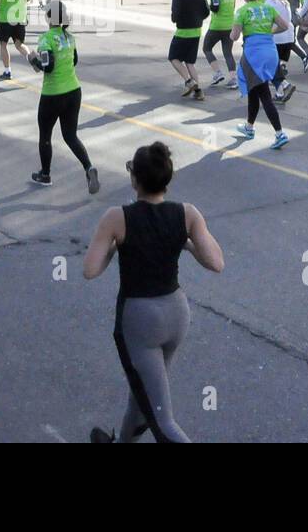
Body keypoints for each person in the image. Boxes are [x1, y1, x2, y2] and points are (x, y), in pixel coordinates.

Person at [83, 142, 224, 443]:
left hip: (140, 321)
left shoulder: (116, 217)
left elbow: (90, 269)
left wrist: (114, 245)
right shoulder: (187, 213)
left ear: (135, 179)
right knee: (145, 390)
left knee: (162, 419)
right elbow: (216, 262)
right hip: (176, 316)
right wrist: (184, 242)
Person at [26, 0, 99, 191]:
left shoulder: (46, 39)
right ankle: (88, 167)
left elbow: (47, 67)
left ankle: (45, 174)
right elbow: (74, 61)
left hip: (53, 94)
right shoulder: (70, 37)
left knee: (46, 136)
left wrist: (33, 59)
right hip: (74, 91)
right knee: (70, 136)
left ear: (48, 16)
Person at [230, 0, 290, 150]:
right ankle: (249, 127)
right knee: (254, 91)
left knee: (263, 94)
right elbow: (285, 26)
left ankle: (279, 133)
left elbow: (234, 37)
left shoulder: (242, 11)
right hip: (271, 53)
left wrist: (233, 33)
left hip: (253, 56)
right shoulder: (268, 8)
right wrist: (269, 31)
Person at [169, 0, 209, 101]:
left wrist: (176, 19)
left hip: (183, 32)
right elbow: (206, 11)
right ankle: (198, 92)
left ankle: (188, 81)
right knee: (190, 62)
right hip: (197, 31)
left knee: (173, 58)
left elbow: (175, 15)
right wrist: (197, 19)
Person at [203, 0, 238, 89]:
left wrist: (207, 5)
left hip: (217, 26)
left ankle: (218, 73)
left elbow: (215, 8)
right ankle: (234, 79)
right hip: (229, 25)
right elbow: (233, 6)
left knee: (207, 48)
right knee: (228, 52)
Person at [264, 0, 297, 103]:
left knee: (270, 66)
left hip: (276, 37)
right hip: (288, 38)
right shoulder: (284, 1)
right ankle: (282, 89)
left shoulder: (269, 3)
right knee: (274, 66)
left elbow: (267, 20)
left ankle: (283, 88)